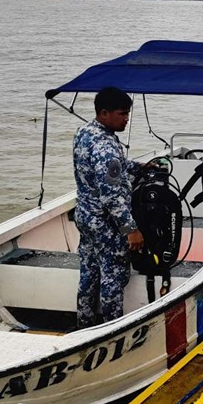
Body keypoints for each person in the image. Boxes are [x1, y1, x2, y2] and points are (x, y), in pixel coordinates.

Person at [73, 87, 145, 328]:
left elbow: (112, 167)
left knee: (89, 273)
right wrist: (130, 229)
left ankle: (85, 325)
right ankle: (111, 329)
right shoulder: (106, 146)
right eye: (122, 114)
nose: (126, 119)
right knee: (113, 277)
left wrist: (140, 167)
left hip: (85, 217)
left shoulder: (85, 132)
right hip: (106, 224)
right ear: (104, 113)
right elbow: (112, 195)